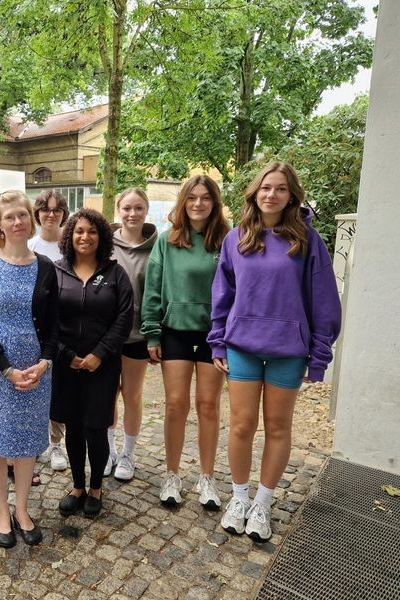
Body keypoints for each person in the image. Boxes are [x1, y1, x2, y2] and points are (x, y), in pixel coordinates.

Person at [208, 162, 342, 541]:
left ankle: (263, 504)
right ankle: (239, 498)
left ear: (291, 195)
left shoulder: (308, 241)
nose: (272, 195)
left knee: (279, 428)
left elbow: (323, 301)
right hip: (243, 348)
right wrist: (218, 339)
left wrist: (318, 355)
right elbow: (223, 295)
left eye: (280, 189)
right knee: (241, 425)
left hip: (288, 350)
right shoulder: (235, 238)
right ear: (255, 192)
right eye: (266, 188)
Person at [0, 190, 59, 548]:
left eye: (22, 214)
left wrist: (44, 363)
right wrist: (7, 368)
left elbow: (54, 325)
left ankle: (22, 509)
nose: (18, 221)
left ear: (30, 218)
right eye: (9, 217)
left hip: (37, 372)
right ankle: (2, 511)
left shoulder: (47, 267)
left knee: (26, 445)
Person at [140, 176, 230, 509]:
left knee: (208, 406)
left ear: (214, 203)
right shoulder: (167, 241)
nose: (198, 204)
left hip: (213, 335)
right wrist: (152, 331)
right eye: (191, 198)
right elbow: (152, 288)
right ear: (183, 202)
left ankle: (207, 477)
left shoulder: (227, 241)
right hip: (174, 330)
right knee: (176, 405)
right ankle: (172, 475)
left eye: (205, 198)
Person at [52, 209, 133, 518]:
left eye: (92, 231)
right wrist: (66, 355)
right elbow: (48, 320)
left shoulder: (115, 274)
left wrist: (100, 353)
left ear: (102, 237)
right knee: (73, 426)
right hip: (67, 364)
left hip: (103, 365)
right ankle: (77, 486)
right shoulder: (56, 272)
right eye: (79, 231)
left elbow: (124, 318)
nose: (85, 237)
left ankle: (96, 487)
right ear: (69, 236)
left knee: (95, 427)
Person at [107, 188, 158, 482]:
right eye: (127, 208)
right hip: (109, 335)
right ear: (118, 209)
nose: (132, 213)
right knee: (109, 393)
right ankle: (109, 450)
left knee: (133, 395)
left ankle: (129, 453)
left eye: (138, 208)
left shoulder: (157, 246)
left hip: (139, 335)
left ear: (146, 210)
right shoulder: (106, 244)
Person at [28, 190, 70, 472]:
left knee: (59, 389)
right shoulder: (30, 246)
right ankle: (33, 442)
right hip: (36, 328)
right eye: (45, 209)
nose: (51, 215)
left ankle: (56, 444)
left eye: (56, 210)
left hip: (66, 326)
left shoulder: (71, 247)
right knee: (36, 386)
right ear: (38, 213)